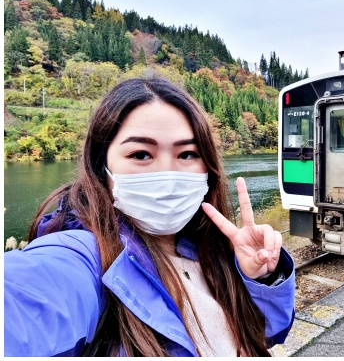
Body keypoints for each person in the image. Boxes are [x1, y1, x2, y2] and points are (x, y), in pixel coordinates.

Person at [3, 77, 294, 356]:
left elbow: (267, 334)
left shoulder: (211, 248)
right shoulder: (82, 258)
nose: (167, 174)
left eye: (188, 154)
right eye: (141, 154)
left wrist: (263, 278)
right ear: (101, 166)